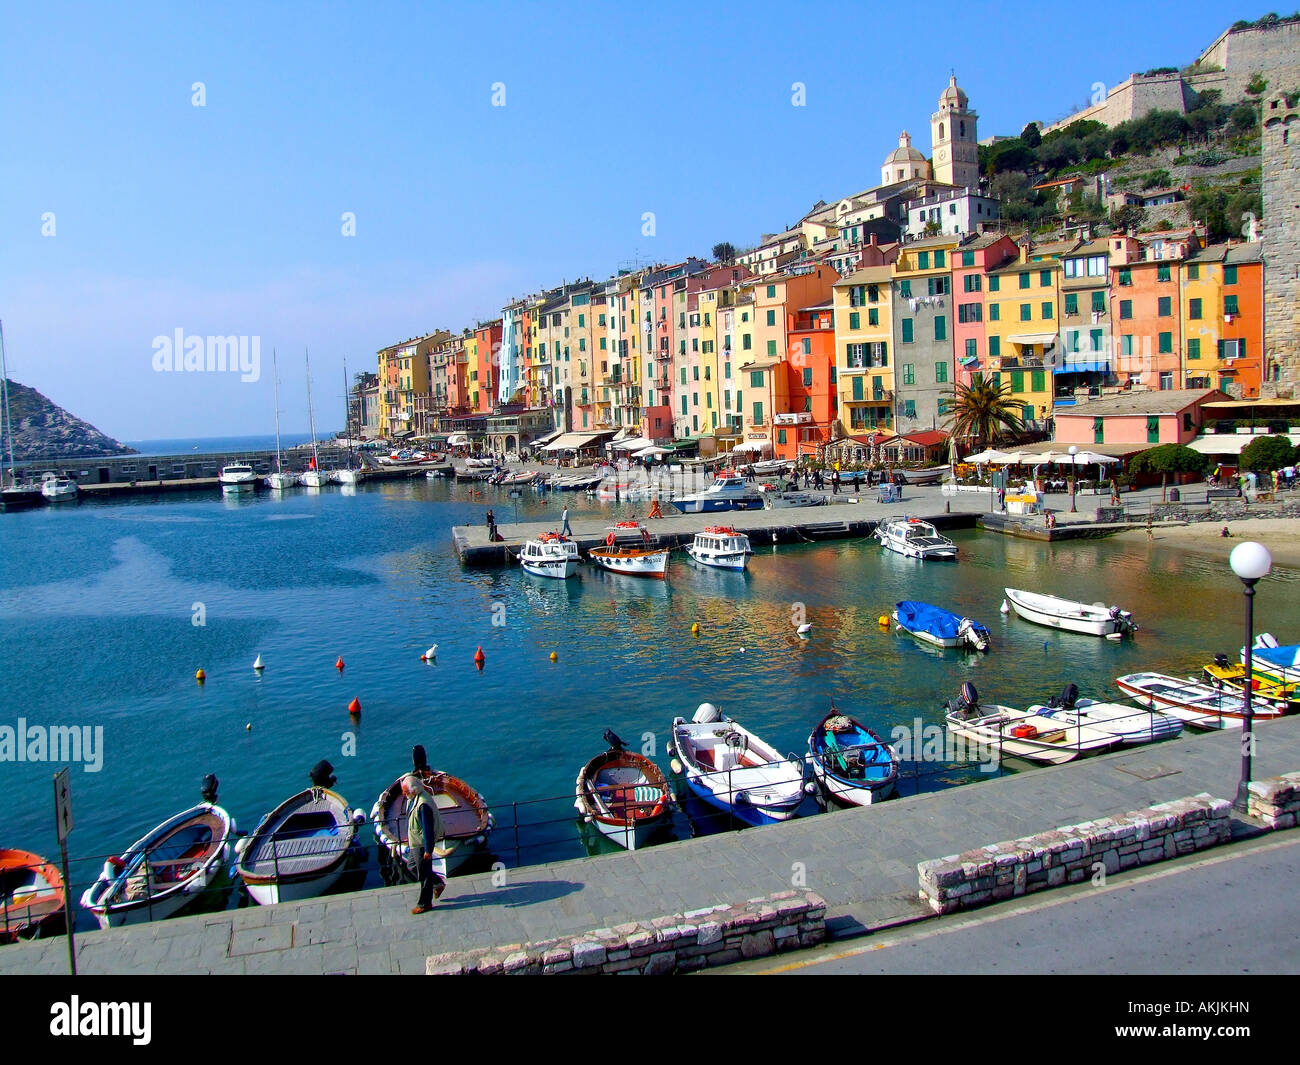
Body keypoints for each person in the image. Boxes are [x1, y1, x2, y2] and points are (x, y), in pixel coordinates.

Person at [405, 773, 446, 914]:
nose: (404, 794)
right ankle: (437, 882)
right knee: (411, 866)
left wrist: (428, 850)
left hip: (421, 845)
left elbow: (427, 828)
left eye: (406, 791)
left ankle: (425, 903)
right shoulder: (415, 799)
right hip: (415, 843)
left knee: (423, 874)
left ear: (413, 791)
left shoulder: (422, 805)